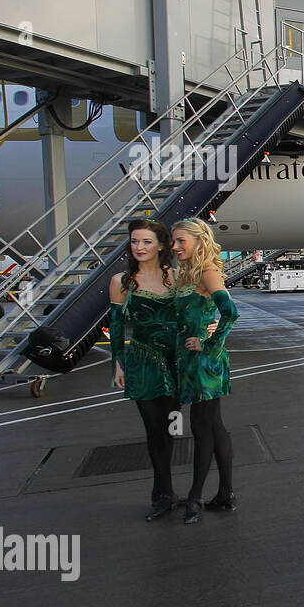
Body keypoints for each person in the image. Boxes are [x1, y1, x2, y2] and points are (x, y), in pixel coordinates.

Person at [109, 219, 181, 521]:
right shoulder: (122, 281)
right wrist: (118, 362)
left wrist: (210, 328)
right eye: (134, 241)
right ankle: (162, 493)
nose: (138, 247)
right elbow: (115, 326)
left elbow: (198, 310)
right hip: (142, 362)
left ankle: (167, 491)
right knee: (153, 429)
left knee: (172, 427)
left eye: (146, 241)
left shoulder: (176, 277)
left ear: (161, 245)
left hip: (175, 361)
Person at [171, 218, 239, 526]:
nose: (175, 246)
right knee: (214, 426)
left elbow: (230, 312)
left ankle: (195, 496)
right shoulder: (187, 272)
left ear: (199, 241)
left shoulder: (207, 272)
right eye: (173, 241)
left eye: (181, 241)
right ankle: (225, 493)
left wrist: (209, 342)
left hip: (205, 364)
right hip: (194, 362)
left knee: (202, 428)